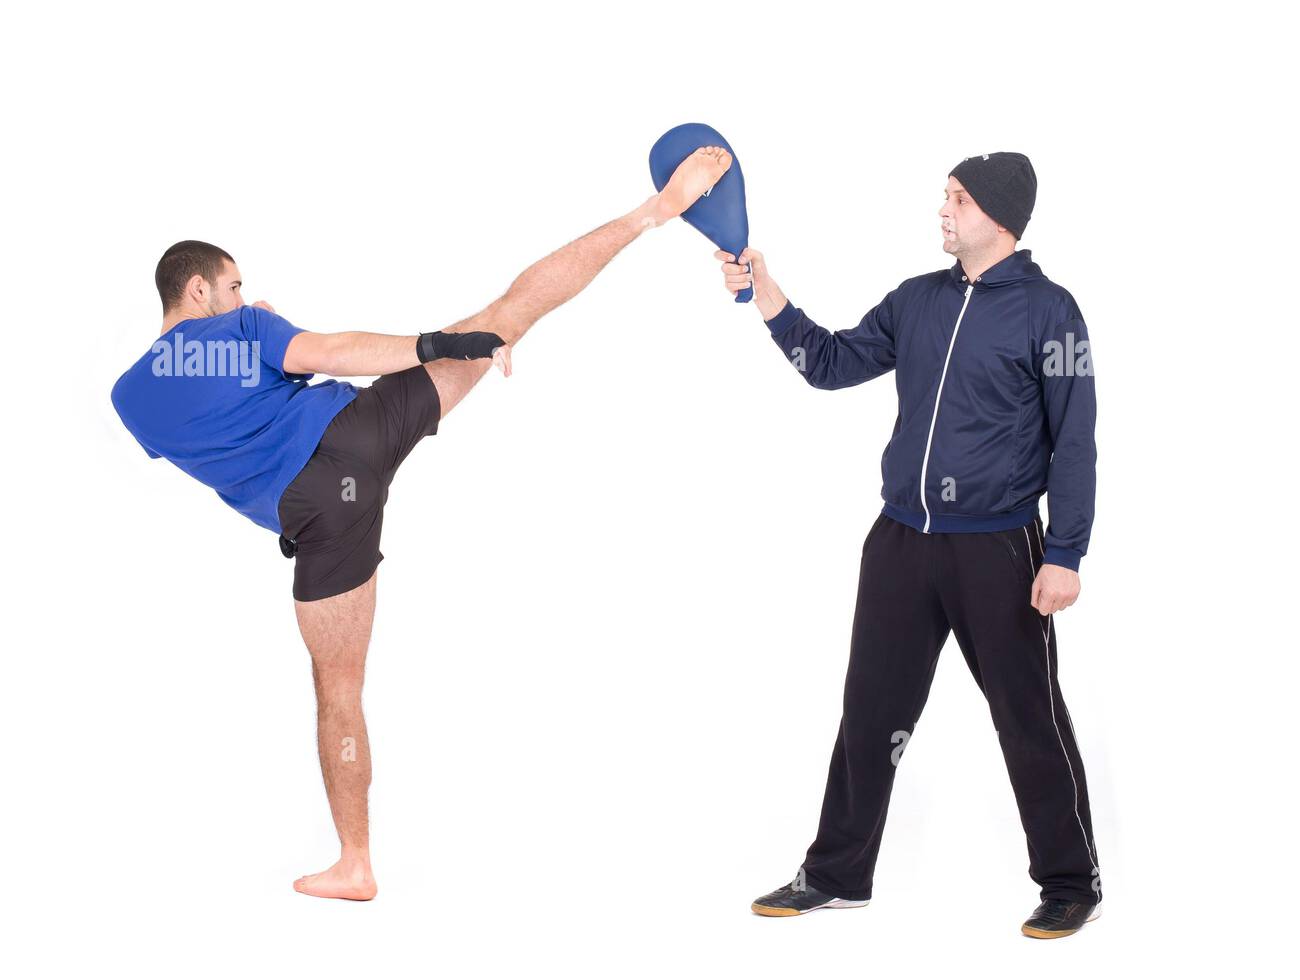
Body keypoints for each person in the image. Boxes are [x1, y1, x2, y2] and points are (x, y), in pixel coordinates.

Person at [111, 147, 734, 901]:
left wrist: (253, 356)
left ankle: (355, 864)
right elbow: (332, 350)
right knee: (506, 315)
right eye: (236, 283)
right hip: (360, 433)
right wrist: (432, 345)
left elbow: (202, 426)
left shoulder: (128, 397)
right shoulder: (240, 327)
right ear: (201, 286)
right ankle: (652, 213)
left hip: (321, 516)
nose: (247, 292)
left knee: (339, 689)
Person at [719, 152, 1102, 938]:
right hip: (900, 542)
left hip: (998, 547)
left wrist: (1065, 552)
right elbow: (827, 365)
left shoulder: (1050, 312)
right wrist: (766, 291)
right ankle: (835, 875)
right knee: (869, 714)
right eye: (946, 196)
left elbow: (1078, 442)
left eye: (957, 199)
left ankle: (1071, 880)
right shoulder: (917, 300)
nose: (943, 210)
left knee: (1027, 716)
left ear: (999, 216)